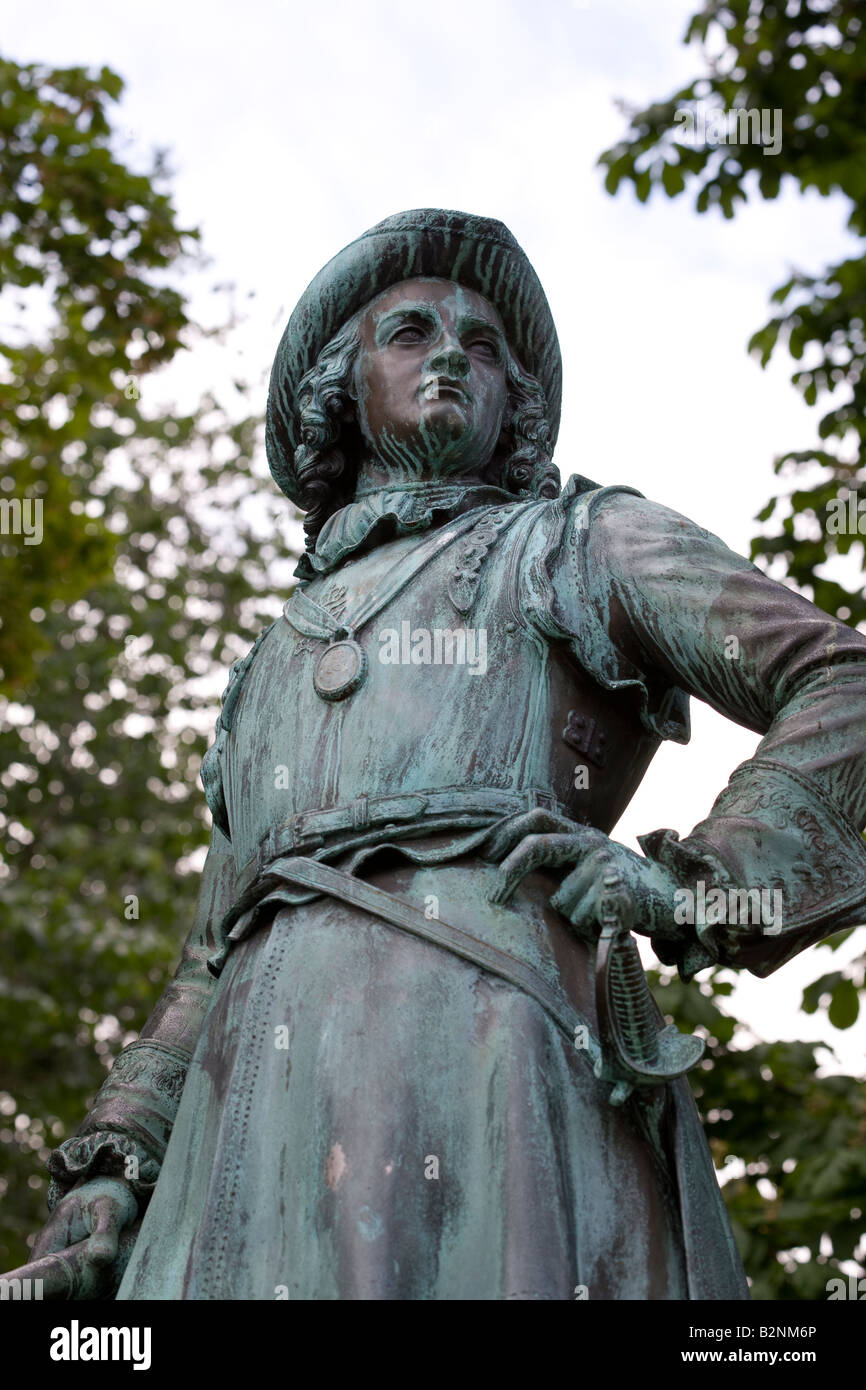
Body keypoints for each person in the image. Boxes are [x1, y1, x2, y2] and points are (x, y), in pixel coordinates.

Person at [15, 209, 866, 1300]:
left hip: (492, 1072)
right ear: (343, 385)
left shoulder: (582, 543)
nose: (453, 354)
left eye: (484, 346)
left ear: (514, 399)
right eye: (409, 332)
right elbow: (205, 955)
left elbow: (839, 681)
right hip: (242, 1127)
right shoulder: (265, 662)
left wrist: (700, 882)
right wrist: (116, 1165)